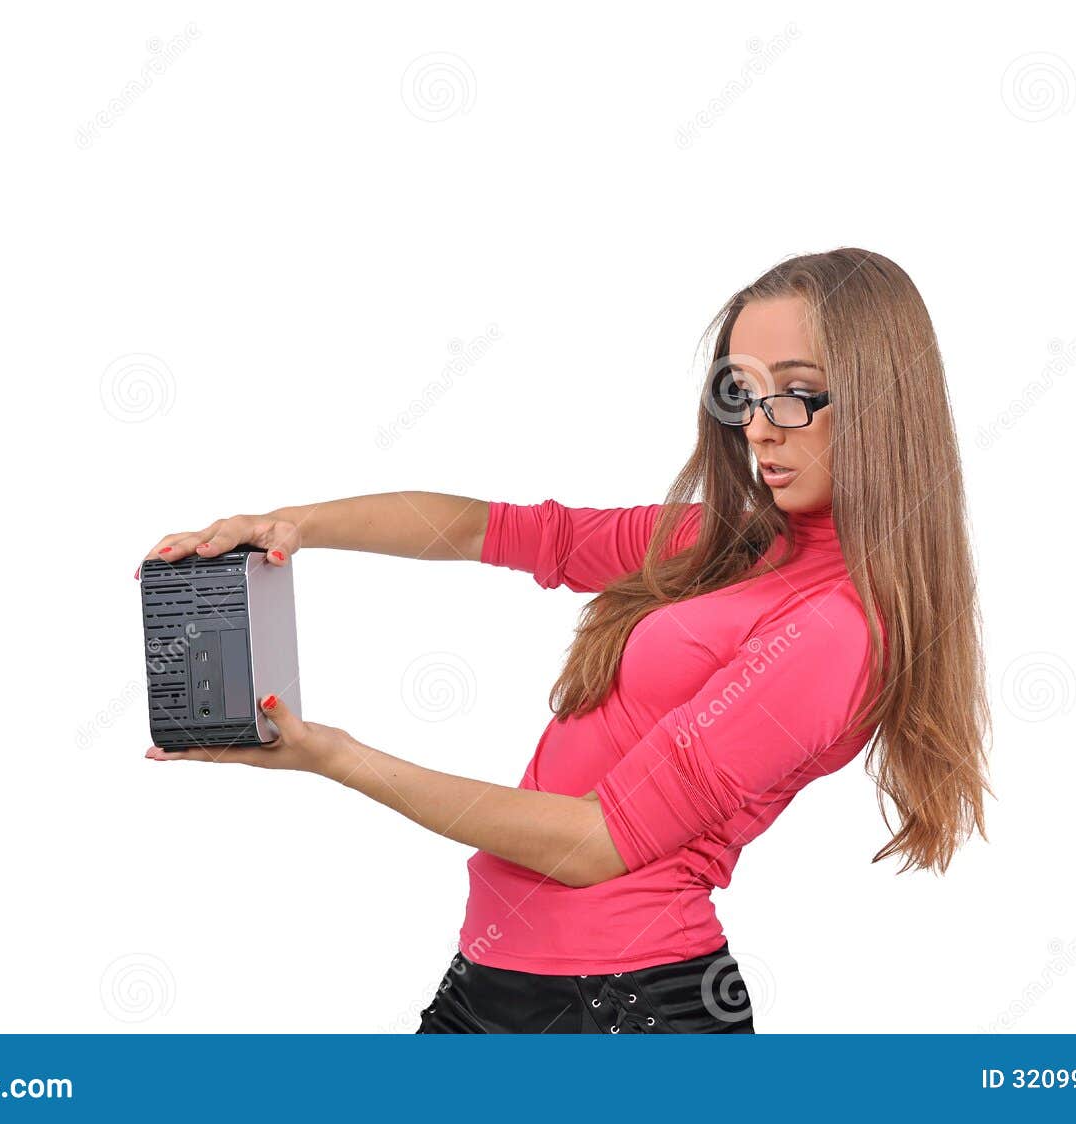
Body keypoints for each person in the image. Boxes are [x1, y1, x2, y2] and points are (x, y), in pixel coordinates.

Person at [141, 248, 992, 1032]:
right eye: (742, 392)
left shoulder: (833, 634)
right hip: (490, 980)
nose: (760, 428)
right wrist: (291, 524)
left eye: (796, 391)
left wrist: (335, 756)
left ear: (882, 399)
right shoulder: (724, 541)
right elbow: (507, 532)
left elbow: (593, 842)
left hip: (624, 1012)